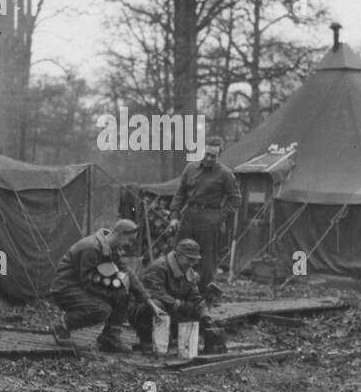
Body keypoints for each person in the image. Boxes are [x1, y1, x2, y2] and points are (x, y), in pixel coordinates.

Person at [49, 219, 164, 352]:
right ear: (119, 233)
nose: (130, 244)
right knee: (101, 309)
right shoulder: (91, 247)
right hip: (65, 289)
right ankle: (61, 326)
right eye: (130, 240)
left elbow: (127, 274)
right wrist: (111, 293)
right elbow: (87, 281)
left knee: (122, 291)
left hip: (81, 287)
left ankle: (110, 336)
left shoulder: (111, 249)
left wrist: (151, 303)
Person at [168, 135, 240, 301]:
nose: (208, 158)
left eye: (213, 156)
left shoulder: (225, 174)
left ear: (219, 155)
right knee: (180, 253)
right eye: (206, 154)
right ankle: (176, 292)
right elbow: (179, 194)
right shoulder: (190, 169)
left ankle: (200, 296)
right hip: (189, 216)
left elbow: (236, 199)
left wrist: (220, 216)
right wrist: (174, 216)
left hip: (210, 220)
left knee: (206, 261)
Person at [129, 238, 227, 354]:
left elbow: (195, 297)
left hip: (171, 311)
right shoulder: (159, 267)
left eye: (194, 260)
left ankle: (175, 336)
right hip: (143, 310)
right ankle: (147, 340)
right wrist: (179, 305)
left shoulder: (189, 272)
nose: (191, 264)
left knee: (197, 310)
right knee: (156, 305)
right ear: (179, 255)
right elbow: (154, 292)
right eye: (189, 259)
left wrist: (206, 316)